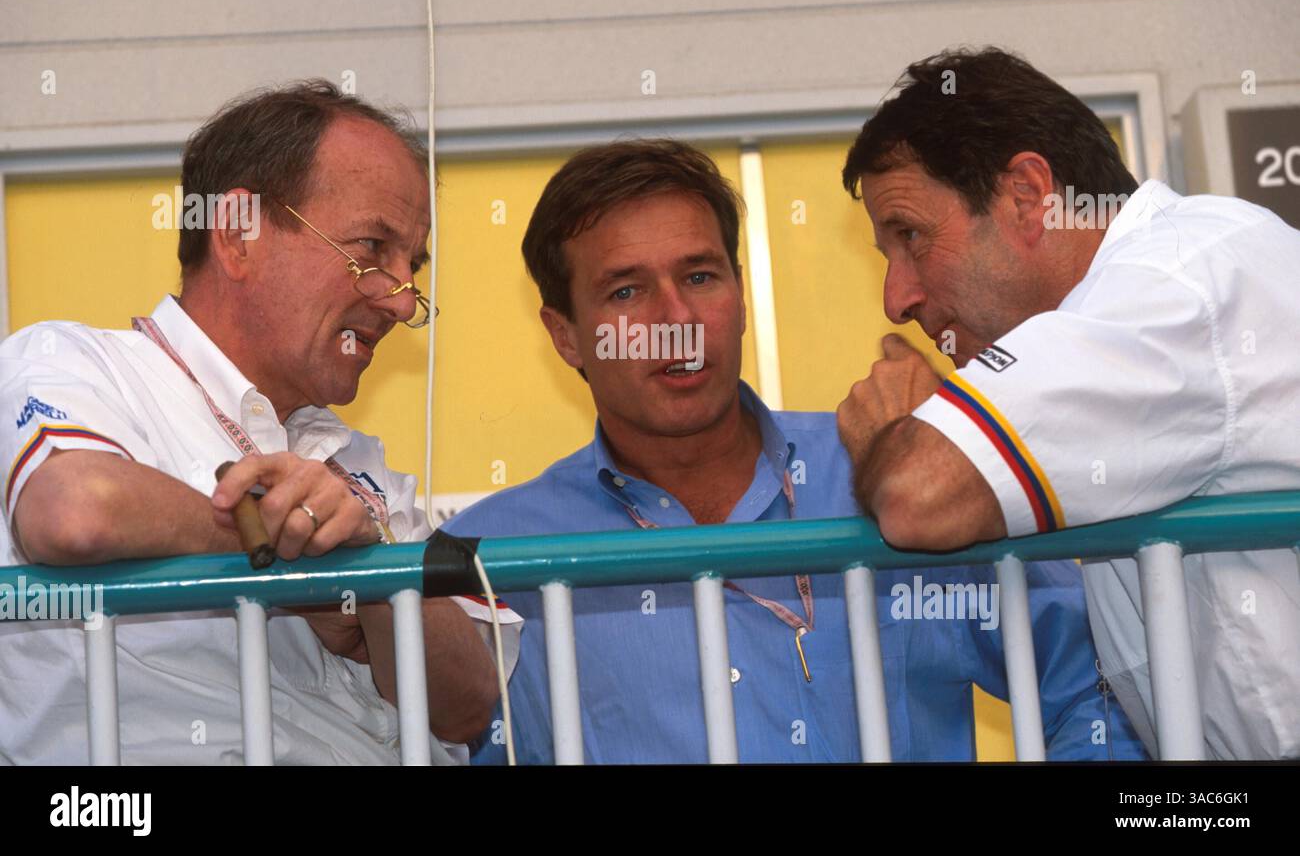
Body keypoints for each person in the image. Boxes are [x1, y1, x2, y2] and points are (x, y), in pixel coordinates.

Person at [442, 138, 1145, 763]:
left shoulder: (895, 474)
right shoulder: (490, 555)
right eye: (626, 290)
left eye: (699, 277)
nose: (677, 321)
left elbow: (1101, 684)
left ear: (741, 296)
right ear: (566, 335)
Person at [0, 80, 520, 765]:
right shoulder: (81, 363)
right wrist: (302, 553)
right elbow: (76, 511)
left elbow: (469, 705)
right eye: (372, 249)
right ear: (239, 235)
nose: (401, 301)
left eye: (411, 266)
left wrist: (366, 569)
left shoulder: (364, 467)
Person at [834, 46, 1300, 759]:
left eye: (912, 237)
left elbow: (917, 493)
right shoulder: (1178, 267)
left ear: (1026, 193)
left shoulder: (1172, 285)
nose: (897, 298)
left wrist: (889, 431)